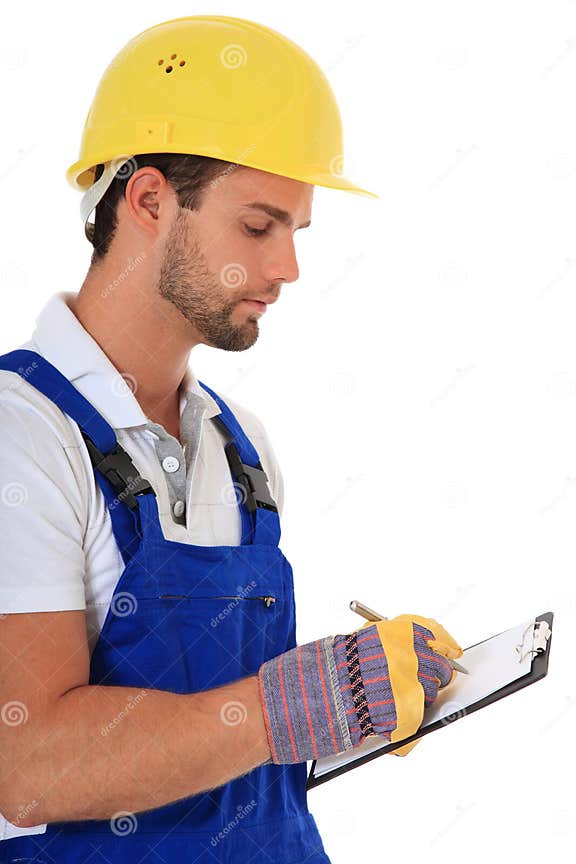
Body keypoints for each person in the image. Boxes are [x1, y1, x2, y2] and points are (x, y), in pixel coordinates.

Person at [0, 15, 463, 863]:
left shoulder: (240, 447)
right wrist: (290, 704)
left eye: (297, 231)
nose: (288, 268)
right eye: (259, 226)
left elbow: (224, 738)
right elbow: (28, 766)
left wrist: (360, 698)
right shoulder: (21, 440)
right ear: (147, 201)